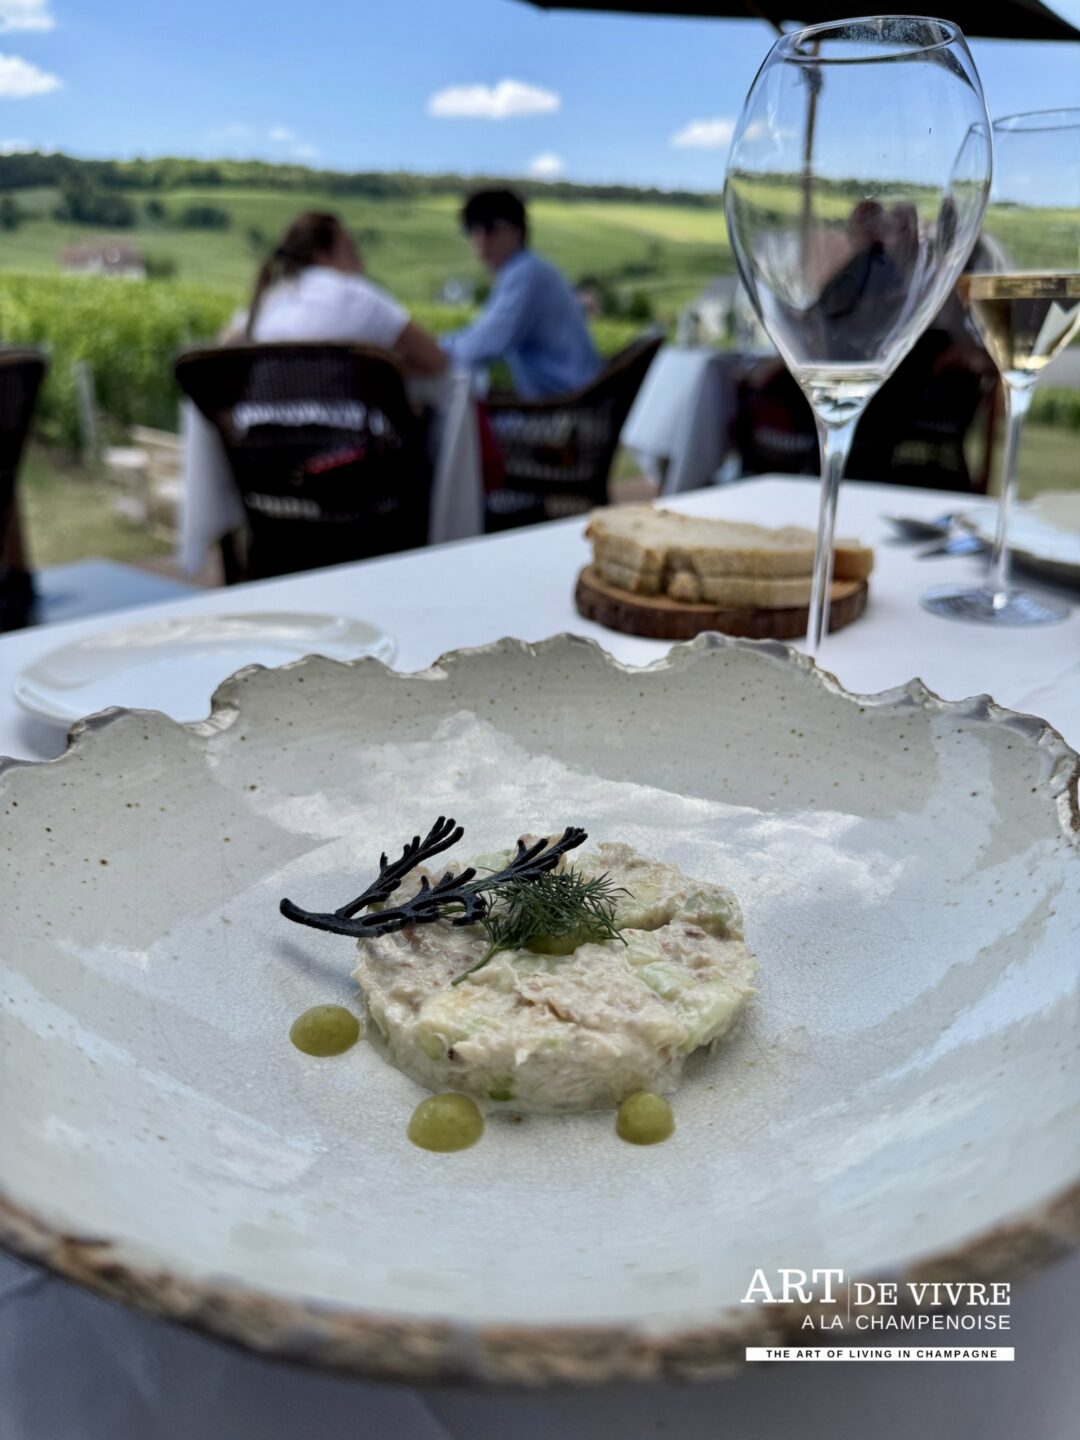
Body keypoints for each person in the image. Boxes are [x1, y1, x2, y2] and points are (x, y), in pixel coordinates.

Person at [230, 211, 446, 377]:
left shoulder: (270, 298)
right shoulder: (360, 296)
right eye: (351, 252)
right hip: (348, 432)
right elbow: (436, 360)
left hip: (260, 432)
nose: (361, 264)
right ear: (321, 255)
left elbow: (220, 350)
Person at [444, 189, 601, 399]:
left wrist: (424, 350)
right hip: (568, 399)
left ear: (518, 232)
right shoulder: (531, 269)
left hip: (564, 409)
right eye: (473, 229)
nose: (481, 239)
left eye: (490, 228)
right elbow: (481, 335)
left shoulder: (525, 273)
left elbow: (485, 343)